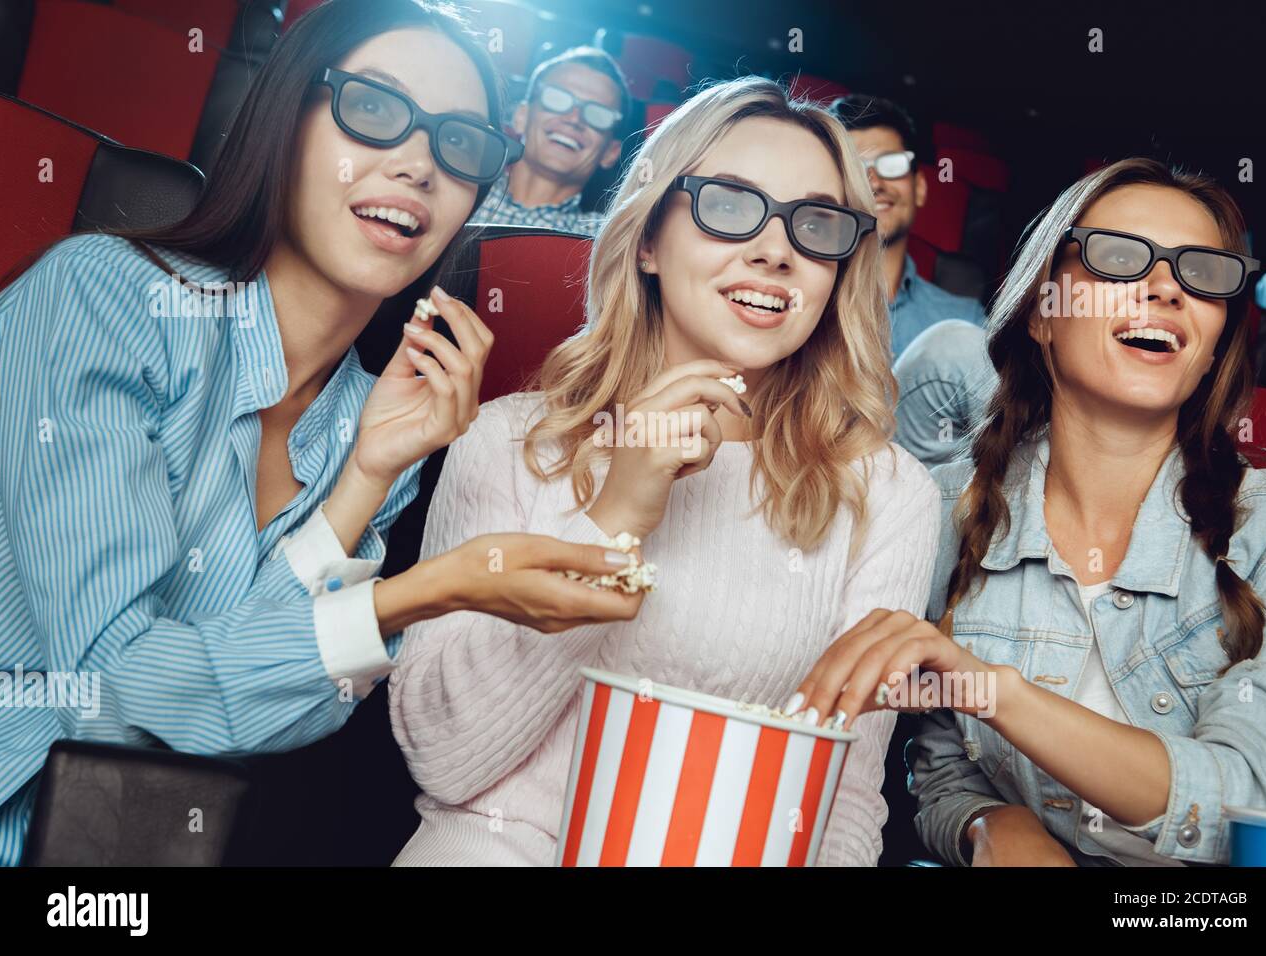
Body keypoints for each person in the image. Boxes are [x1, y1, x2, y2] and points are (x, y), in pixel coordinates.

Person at [0, 0, 642, 868]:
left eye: (459, 144)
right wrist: (422, 591)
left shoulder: (380, 428)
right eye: (373, 110)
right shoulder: (103, 298)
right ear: (287, 121)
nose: (418, 164)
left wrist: (367, 478)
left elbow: (229, 715)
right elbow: (121, 687)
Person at [388, 77, 941, 867]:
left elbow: (842, 806)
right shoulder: (509, 441)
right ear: (648, 239)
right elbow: (446, 758)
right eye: (728, 204)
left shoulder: (888, 495)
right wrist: (615, 521)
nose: (776, 251)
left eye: (816, 223)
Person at [786, 158, 1266, 866]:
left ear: (1212, 349)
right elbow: (938, 760)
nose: (1166, 289)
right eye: (1119, 258)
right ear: (1041, 314)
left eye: (1202, 273)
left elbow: (1257, 803)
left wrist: (996, 691)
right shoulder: (935, 509)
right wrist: (986, 822)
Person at [828, 93, 985, 361]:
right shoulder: (807, 302)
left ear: (920, 188)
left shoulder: (964, 319)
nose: (874, 182)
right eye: (856, 168)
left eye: (892, 165)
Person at [472, 46, 629, 235]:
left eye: (598, 115)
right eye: (557, 99)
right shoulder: (462, 192)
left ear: (610, 153)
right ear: (521, 117)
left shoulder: (605, 242)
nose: (574, 119)